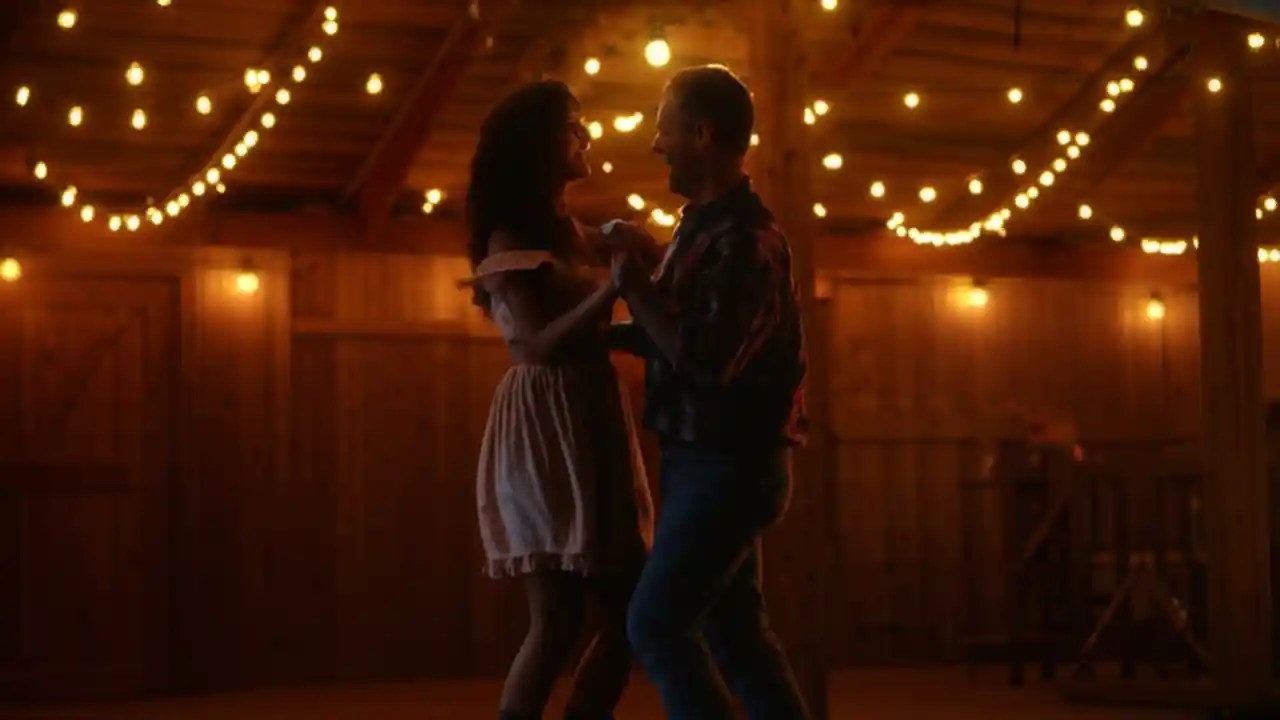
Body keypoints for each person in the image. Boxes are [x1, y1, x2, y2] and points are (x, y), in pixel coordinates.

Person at [604, 65, 812, 720]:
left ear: (700, 134)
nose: (655, 145)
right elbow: (678, 338)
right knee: (738, 638)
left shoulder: (746, 243)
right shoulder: (704, 230)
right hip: (711, 464)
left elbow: (704, 359)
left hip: (728, 468)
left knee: (656, 626)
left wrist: (633, 285)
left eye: (664, 129)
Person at [466, 80, 654, 720]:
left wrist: (642, 328)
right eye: (573, 126)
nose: (586, 137)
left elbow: (589, 336)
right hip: (545, 419)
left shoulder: (572, 229)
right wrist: (613, 294)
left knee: (630, 607)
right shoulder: (508, 235)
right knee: (556, 618)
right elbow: (535, 347)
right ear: (537, 144)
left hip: (587, 409)